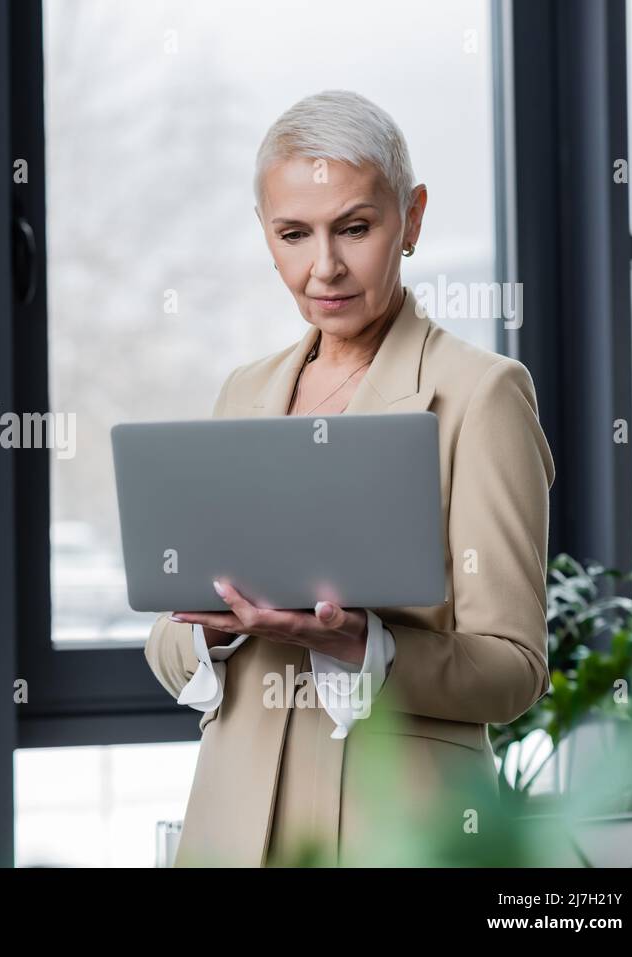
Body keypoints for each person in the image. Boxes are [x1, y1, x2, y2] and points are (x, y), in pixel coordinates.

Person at [145, 90, 555, 867]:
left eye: (355, 228)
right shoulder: (243, 392)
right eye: (293, 234)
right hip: (231, 828)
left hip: (401, 827)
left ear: (414, 218)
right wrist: (210, 634)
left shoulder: (481, 394)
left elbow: (513, 670)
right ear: (266, 237)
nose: (323, 266)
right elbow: (166, 645)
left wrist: (366, 646)